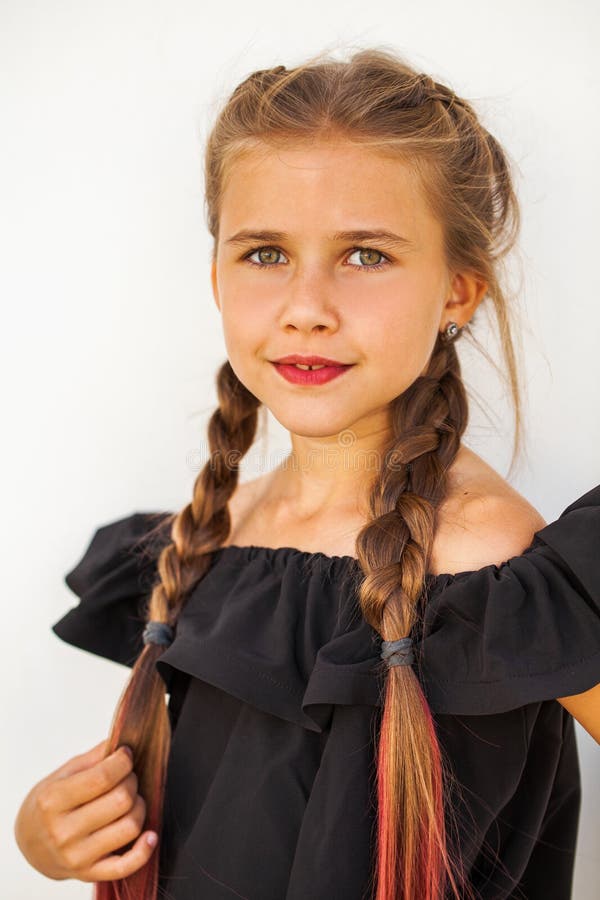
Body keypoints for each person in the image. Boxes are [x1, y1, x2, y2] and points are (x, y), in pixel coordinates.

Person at [13, 47, 600, 900]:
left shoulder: (505, 570)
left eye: (366, 254)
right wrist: (45, 838)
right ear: (216, 276)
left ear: (458, 292)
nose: (306, 307)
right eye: (264, 254)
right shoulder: (203, 544)